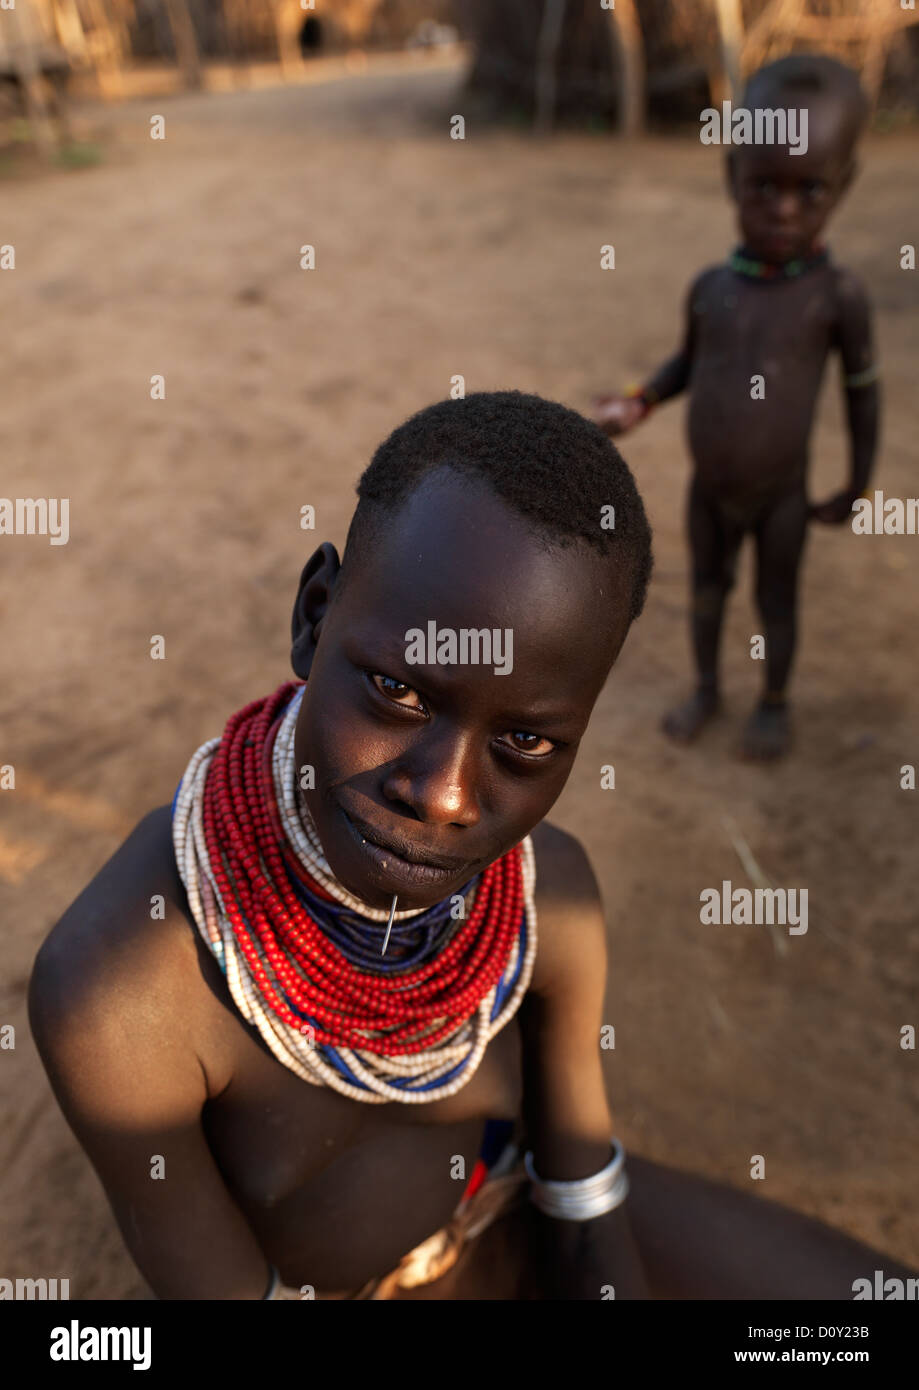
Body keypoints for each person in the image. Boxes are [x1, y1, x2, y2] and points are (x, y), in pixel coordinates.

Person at [29, 393, 906, 1299]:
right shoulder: (122, 991)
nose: (443, 797)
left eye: (524, 743)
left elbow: (579, 1189)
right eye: (397, 691)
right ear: (314, 613)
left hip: (514, 1210)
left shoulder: (543, 894)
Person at [594, 56, 880, 761]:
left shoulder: (835, 297)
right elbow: (688, 365)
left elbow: (861, 391)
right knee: (706, 594)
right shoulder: (710, 288)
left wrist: (856, 481)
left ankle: (773, 703)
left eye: (808, 189)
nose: (783, 208)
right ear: (731, 178)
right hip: (708, 491)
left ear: (843, 186)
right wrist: (639, 402)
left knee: (775, 603)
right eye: (762, 186)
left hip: (781, 496)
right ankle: (705, 689)